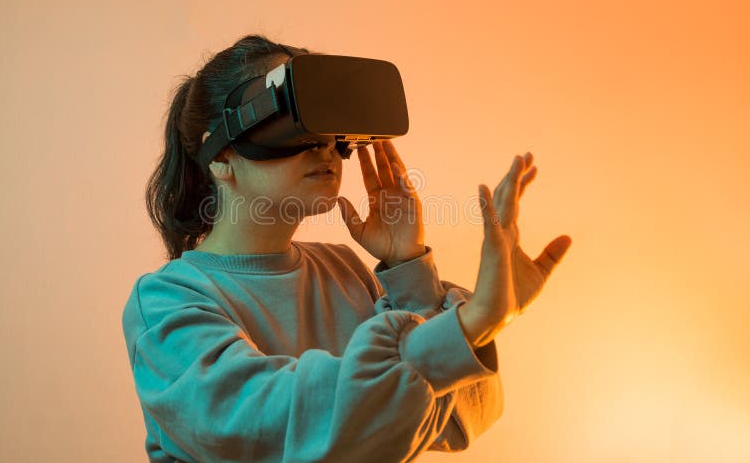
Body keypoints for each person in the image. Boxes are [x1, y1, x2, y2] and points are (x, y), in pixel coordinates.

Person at [121, 34, 572, 463]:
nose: (328, 150)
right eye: (295, 126)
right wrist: (470, 324)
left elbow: (455, 423)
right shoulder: (167, 303)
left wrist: (409, 266)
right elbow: (274, 429)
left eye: (333, 133)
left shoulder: (342, 268)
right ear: (219, 156)